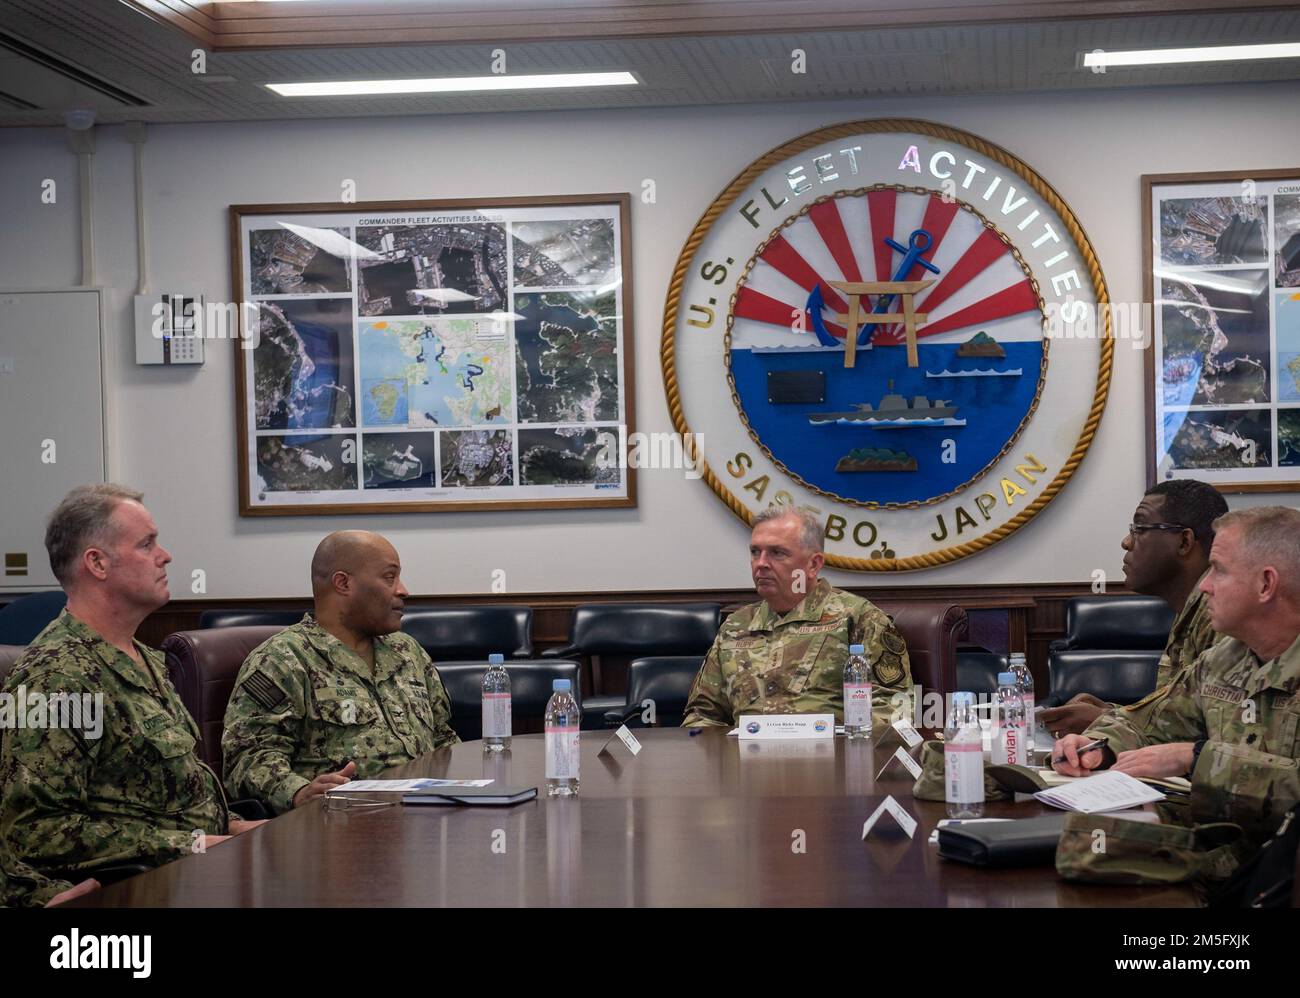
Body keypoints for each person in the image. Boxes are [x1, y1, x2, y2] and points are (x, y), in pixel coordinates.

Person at [0, 485, 260, 879]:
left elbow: (164, 800)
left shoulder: (145, 658)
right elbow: (36, 832)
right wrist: (190, 845)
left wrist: (235, 827)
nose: (165, 555)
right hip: (139, 890)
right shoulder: (56, 676)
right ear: (97, 564)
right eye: (147, 544)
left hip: (197, 871)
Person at [1053, 506, 1300, 851]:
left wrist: (1198, 758)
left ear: (1265, 584)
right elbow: (1148, 723)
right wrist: (1099, 747)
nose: (1205, 585)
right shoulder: (1224, 659)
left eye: (1218, 570)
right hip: (1215, 862)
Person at [222, 530, 459, 814]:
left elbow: (443, 739)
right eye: (389, 577)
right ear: (343, 583)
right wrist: (298, 791)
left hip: (426, 816)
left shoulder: (407, 651)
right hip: (339, 827)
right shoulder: (283, 660)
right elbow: (247, 759)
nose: (402, 590)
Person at [683, 506, 911, 728]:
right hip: (747, 759)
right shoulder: (736, 625)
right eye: (755, 552)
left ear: (813, 564)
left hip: (832, 760)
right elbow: (702, 714)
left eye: (777, 553)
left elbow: (895, 710)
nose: (761, 563)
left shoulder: (859, 617)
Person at [1039, 480, 1226, 737]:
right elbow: (1182, 719)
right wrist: (1111, 714)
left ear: (1184, 542)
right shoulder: (1187, 611)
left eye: (1140, 529)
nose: (1127, 542)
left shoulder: (1219, 614)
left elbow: (1212, 736)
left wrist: (1107, 721)